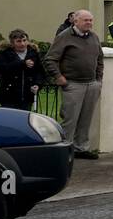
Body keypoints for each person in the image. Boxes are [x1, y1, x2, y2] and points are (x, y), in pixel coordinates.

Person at [44, 9, 104, 159]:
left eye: (91, 20)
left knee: (86, 119)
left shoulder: (94, 37)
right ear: (75, 21)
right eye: (86, 20)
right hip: (72, 84)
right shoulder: (64, 37)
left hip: (92, 84)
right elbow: (50, 59)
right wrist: (58, 77)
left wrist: (98, 79)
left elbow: (100, 59)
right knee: (70, 119)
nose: (89, 23)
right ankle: (64, 150)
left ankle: (81, 148)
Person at [0, 29, 45, 111]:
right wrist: (22, 64)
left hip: (27, 96)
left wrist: (37, 84)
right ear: (12, 43)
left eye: (24, 40)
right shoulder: (6, 53)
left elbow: (40, 72)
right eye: (18, 41)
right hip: (9, 96)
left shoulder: (33, 53)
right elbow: (1, 70)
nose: (22, 44)